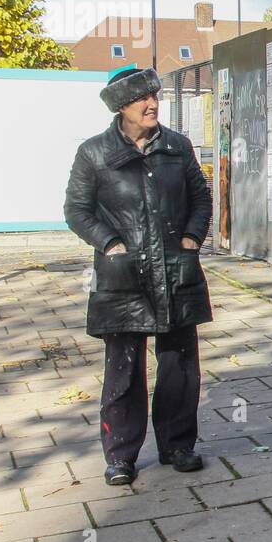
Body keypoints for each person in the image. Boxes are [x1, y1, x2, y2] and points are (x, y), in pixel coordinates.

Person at [63, 66, 213, 486]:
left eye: (155, 96)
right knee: (124, 367)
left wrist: (190, 239)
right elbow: (77, 210)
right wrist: (111, 244)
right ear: (120, 106)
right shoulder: (94, 153)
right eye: (140, 99)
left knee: (180, 364)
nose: (152, 104)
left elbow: (200, 199)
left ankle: (178, 444)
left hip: (175, 269)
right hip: (123, 276)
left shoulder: (178, 147)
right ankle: (121, 454)